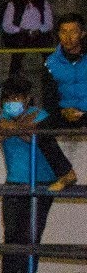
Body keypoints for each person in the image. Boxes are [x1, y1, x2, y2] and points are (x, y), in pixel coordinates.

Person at [0, 77, 57, 273]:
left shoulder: (40, 113)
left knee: (32, 235)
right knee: (12, 234)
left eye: (17, 98)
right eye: (9, 99)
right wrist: (17, 126)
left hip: (42, 181)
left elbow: (33, 135)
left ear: (28, 99)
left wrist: (9, 128)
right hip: (15, 181)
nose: (12, 102)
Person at [35, 12, 85, 191]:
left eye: (73, 31)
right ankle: (66, 173)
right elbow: (49, 98)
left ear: (83, 33)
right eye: (63, 32)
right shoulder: (51, 62)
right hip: (65, 112)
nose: (68, 37)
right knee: (41, 132)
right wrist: (63, 112)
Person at [1, 0, 54, 73]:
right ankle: (15, 76)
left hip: (39, 34)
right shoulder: (13, 5)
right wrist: (21, 30)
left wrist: (39, 30)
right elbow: (6, 25)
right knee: (19, 46)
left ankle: (48, 75)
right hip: (20, 34)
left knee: (47, 46)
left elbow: (49, 24)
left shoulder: (43, 4)